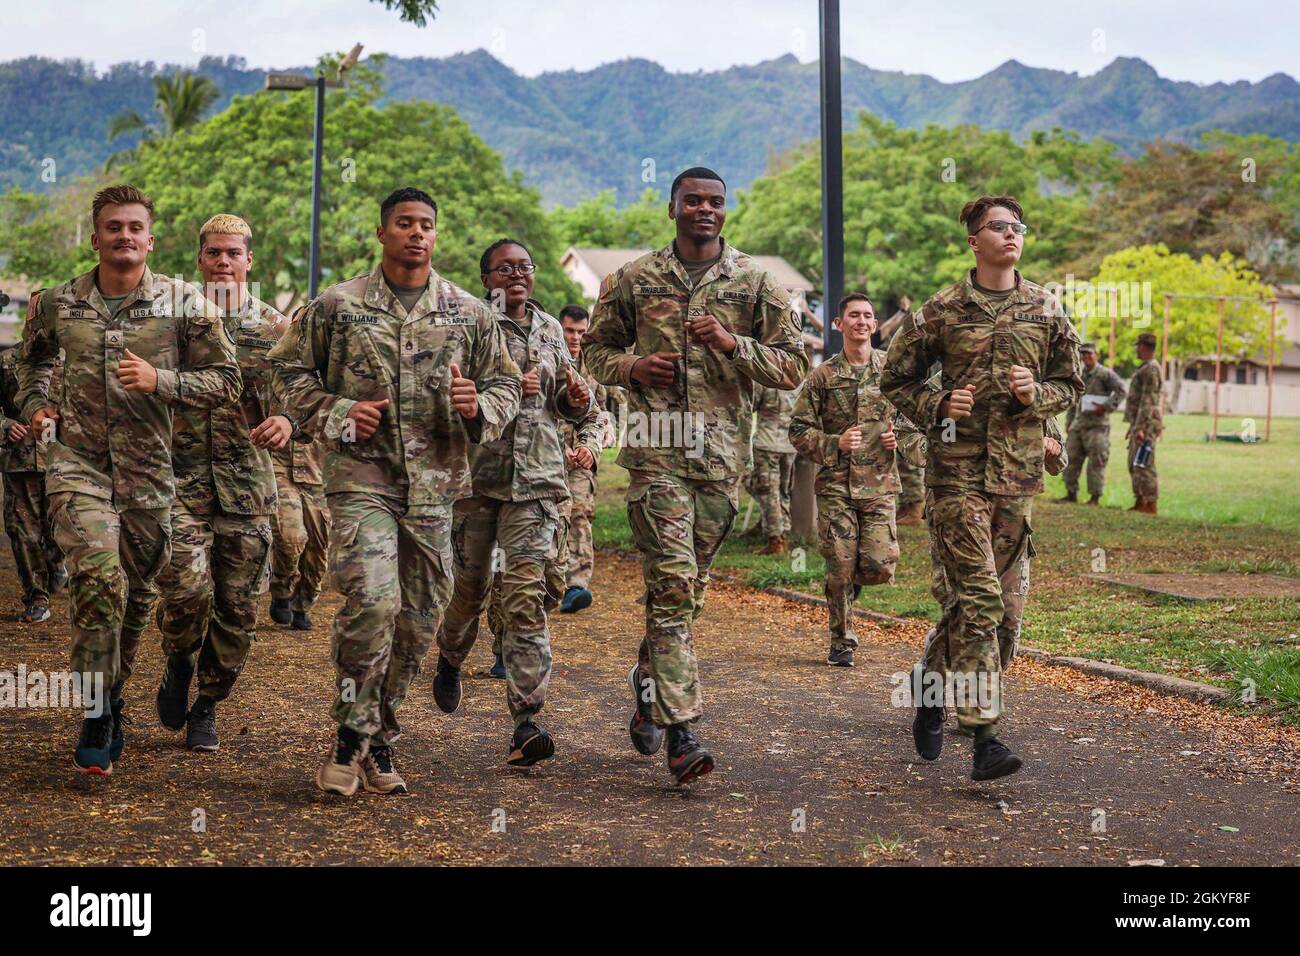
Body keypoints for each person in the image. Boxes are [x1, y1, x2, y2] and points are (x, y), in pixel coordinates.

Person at [268, 187, 521, 797]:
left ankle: (381, 736)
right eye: (404, 223)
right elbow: (284, 375)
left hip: (436, 491)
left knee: (417, 621)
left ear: (437, 235)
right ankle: (349, 736)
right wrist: (338, 412)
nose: (416, 233)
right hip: (362, 482)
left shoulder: (469, 312)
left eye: (426, 225)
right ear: (382, 233)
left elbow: (507, 386)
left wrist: (478, 405)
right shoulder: (337, 306)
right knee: (373, 604)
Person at [584, 166, 807, 784]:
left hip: (721, 461)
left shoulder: (757, 282)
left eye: (715, 202)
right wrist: (632, 367)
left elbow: (793, 368)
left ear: (725, 212)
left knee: (686, 591)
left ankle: (647, 680)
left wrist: (734, 345)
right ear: (673, 207)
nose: (704, 209)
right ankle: (683, 733)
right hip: (657, 454)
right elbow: (592, 352)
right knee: (675, 583)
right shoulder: (633, 279)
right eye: (693, 201)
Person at [15, 184, 241, 775]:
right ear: (95, 238)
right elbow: (28, 359)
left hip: (149, 475)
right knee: (97, 578)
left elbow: (226, 381)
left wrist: (162, 382)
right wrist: (37, 403)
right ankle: (94, 712)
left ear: (151, 239)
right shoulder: (58, 304)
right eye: (113, 227)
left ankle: (114, 694)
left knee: (136, 594)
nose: (124, 236)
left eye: (135, 227)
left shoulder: (186, 304)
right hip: (78, 466)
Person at [881, 193, 1082, 781]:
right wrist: (939, 401)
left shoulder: (1046, 308)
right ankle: (985, 737)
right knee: (979, 600)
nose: (1011, 235)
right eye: (999, 227)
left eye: (1018, 227)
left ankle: (928, 684)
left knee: (1005, 617)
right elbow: (896, 380)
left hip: (1015, 480)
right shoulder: (940, 311)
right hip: (956, 477)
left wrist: (1037, 396)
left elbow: (1072, 382)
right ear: (974, 240)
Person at [432, 241, 600, 766]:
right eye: (504, 268)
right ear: (486, 277)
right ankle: (450, 656)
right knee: (470, 590)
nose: (517, 274)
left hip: (538, 482)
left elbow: (574, 398)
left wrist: (574, 399)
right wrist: (488, 393)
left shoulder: (551, 330)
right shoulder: (466, 326)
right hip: (477, 482)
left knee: (525, 597)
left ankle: (526, 721)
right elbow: (439, 393)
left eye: (524, 266)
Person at [153, 214, 291, 752]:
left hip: (249, 489)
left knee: (237, 609)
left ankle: (208, 703)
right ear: (200, 258)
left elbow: (303, 392)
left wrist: (290, 421)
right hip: (180, 481)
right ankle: (179, 661)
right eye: (214, 253)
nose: (224, 262)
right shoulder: (172, 322)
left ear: (249, 260)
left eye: (234, 253)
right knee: (186, 591)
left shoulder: (276, 330)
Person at [789, 293, 923, 666]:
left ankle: (852, 583)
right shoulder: (822, 377)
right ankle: (842, 641)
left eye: (867, 316)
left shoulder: (893, 374)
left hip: (880, 486)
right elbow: (798, 431)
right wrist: (835, 442)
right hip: (835, 487)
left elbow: (915, 420)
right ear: (839, 324)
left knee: (878, 565)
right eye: (853, 315)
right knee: (839, 567)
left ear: (875, 325)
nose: (861, 321)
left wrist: (902, 437)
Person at [268, 308, 331, 631]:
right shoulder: (276, 366)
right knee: (292, 536)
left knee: (319, 546)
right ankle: (281, 589)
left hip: (319, 470)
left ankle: (304, 602)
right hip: (277, 464)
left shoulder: (333, 369)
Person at [0, 346, 66, 623]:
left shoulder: (81, 354)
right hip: (21, 461)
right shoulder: (8, 360)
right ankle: (36, 597)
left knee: (62, 527)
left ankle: (57, 564)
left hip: (67, 461)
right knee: (23, 531)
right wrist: (3, 425)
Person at [557, 304, 609, 614]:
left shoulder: (593, 365)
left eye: (581, 331)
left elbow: (601, 413)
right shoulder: (546, 360)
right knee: (552, 517)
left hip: (582, 456)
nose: (576, 337)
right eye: (570, 330)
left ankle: (576, 585)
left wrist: (592, 448)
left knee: (579, 513)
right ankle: (548, 580)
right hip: (548, 454)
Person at [1060, 342, 1126, 505]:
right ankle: (1071, 494)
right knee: (1070, 459)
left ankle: (1094, 498)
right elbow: (1073, 400)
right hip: (1078, 425)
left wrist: (1106, 407)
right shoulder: (1078, 374)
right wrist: (1069, 423)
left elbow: (1121, 390)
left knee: (1096, 462)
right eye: (1083, 354)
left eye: (1089, 353)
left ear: (1097, 354)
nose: (1086, 357)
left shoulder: (1105, 374)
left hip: (1097, 426)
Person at [746, 382, 798, 553]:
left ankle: (775, 538)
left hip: (766, 443)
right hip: (790, 444)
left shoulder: (765, 378)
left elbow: (750, 404)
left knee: (767, 492)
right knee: (783, 491)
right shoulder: (799, 377)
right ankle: (780, 529)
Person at [1125, 332, 1164, 514]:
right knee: (1135, 462)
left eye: (1137, 346)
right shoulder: (1146, 367)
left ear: (1143, 347)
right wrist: (1133, 426)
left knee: (1144, 464)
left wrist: (1140, 427)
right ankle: (1140, 501)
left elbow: (1147, 400)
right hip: (1140, 423)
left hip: (1146, 425)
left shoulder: (1151, 369)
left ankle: (1150, 504)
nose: (1136, 349)